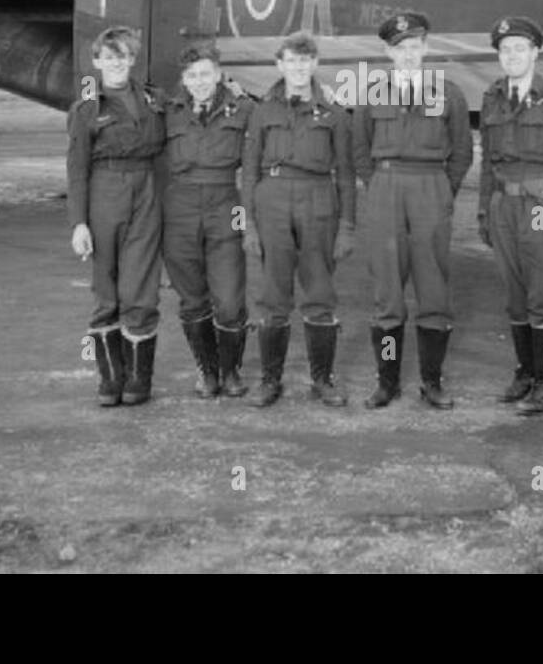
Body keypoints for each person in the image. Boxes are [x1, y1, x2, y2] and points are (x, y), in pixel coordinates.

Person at [353, 11, 473, 409]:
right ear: (388, 51)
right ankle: (387, 382)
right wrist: (379, 187)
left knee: (433, 288)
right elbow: (359, 151)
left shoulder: (449, 93)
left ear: (426, 48)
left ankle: (432, 382)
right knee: (387, 293)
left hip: (430, 187)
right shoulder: (373, 92)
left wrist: (441, 192)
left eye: (415, 46)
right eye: (400, 48)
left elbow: (462, 152)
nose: (408, 54)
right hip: (385, 187)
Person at [240, 32, 357, 408]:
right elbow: (248, 169)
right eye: (291, 60)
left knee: (320, 292)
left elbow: (346, 173)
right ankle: (269, 380)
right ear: (279, 64)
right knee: (273, 293)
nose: (299, 67)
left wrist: (346, 227)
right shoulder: (262, 111)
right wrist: (250, 224)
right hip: (272, 198)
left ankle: (323, 379)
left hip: (318, 199)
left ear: (315, 64)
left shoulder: (335, 113)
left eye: (305, 61)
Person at [478, 16, 543, 415]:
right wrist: (485, 212)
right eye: (505, 50)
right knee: (514, 293)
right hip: (504, 204)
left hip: (541, 206)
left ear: (535, 53)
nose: (512, 56)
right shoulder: (492, 98)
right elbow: (488, 160)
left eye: (520, 48)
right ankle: (525, 372)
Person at [66, 26, 166, 406]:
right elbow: (76, 169)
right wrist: (79, 223)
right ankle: (110, 380)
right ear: (97, 62)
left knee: (140, 286)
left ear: (132, 59)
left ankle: (139, 380)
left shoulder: (155, 101)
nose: (117, 63)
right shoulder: (87, 109)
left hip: (145, 190)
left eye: (123, 56)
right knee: (106, 290)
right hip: (104, 193)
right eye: (109, 57)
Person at [159, 43, 253, 400]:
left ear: (218, 73)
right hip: (180, 207)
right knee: (192, 298)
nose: (199, 81)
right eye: (192, 75)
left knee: (229, 299)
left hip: (225, 202)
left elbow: (258, 158)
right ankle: (208, 371)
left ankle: (231, 372)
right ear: (184, 79)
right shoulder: (167, 111)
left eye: (205, 74)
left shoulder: (243, 109)